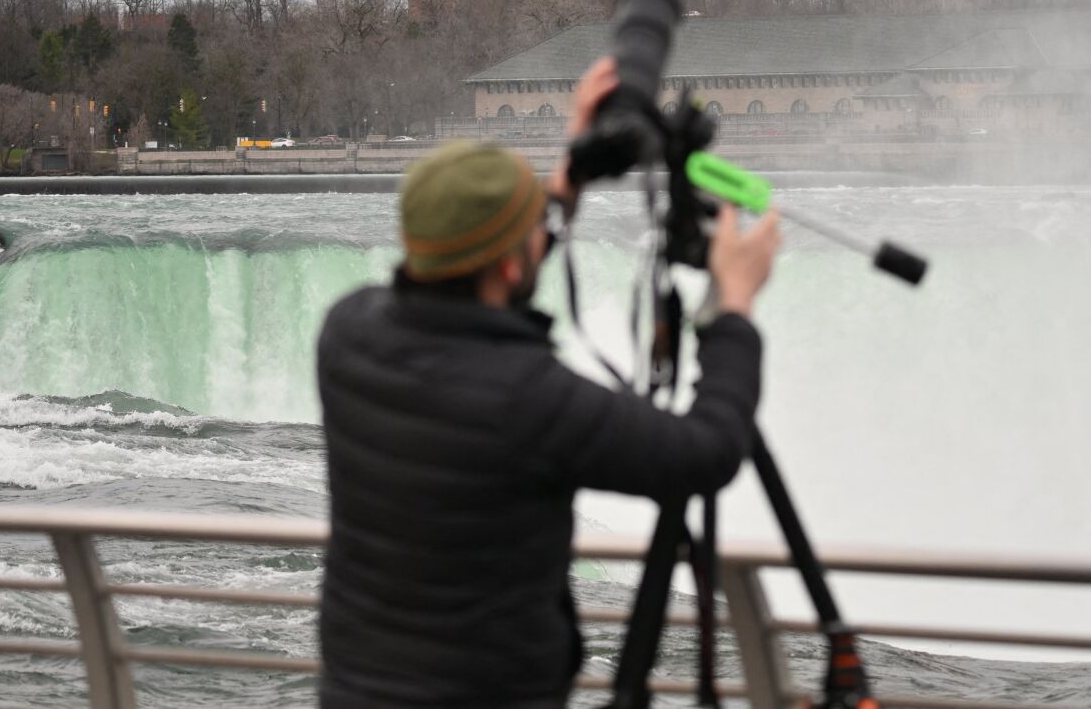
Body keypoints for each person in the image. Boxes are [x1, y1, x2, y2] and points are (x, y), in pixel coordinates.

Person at [316, 57, 781, 707]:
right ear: (511, 266)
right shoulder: (527, 397)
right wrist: (733, 308)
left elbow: (483, 269)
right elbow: (704, 450)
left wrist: (571, 173)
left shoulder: (348, 333)